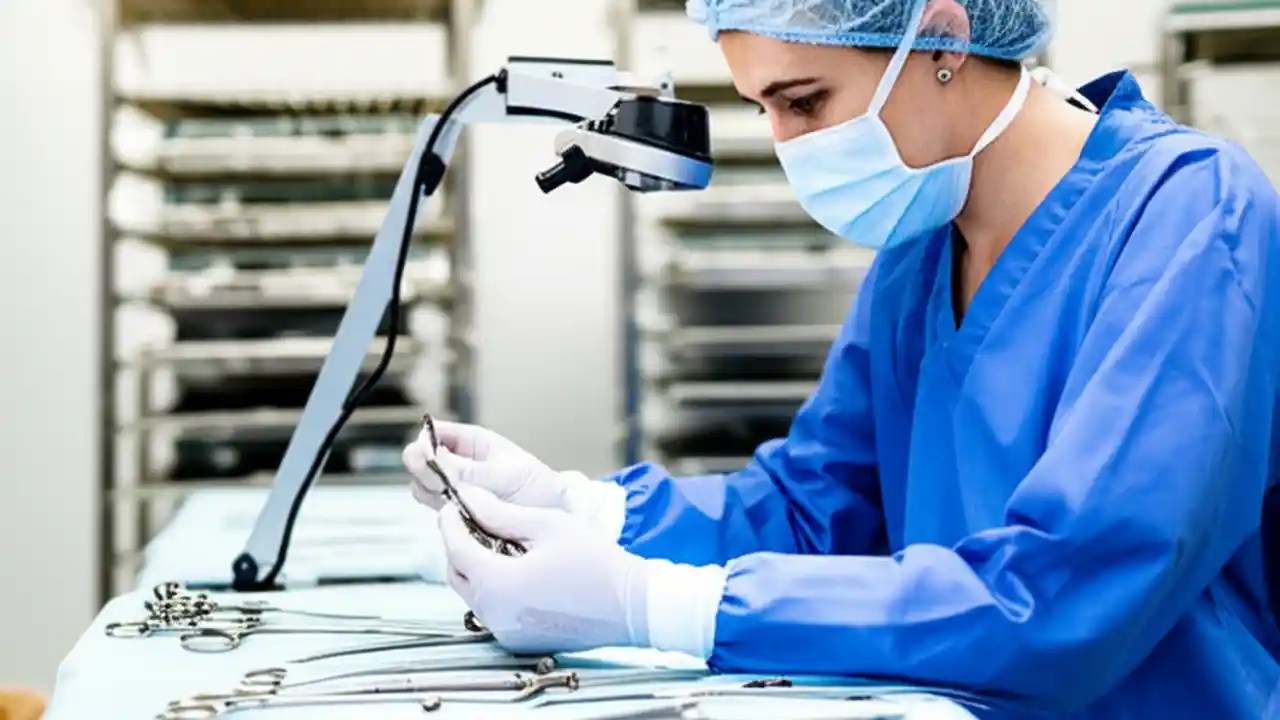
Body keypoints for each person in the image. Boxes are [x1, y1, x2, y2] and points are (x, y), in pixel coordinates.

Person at [403, 0, 1280, 716]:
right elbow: (817, 509)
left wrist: (655, 604)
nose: (788, 143)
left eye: (806, 101)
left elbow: (1066, 595)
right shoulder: (922, 252)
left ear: (941, 38)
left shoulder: (1190, 213)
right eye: (763, 108)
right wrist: (585, 510)